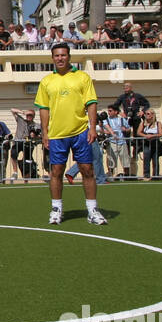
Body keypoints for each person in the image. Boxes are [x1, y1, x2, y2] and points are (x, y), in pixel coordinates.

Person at [35, 43, 107, 225]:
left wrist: (92, 127)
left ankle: (92, 211)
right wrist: (44, 133)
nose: (60, 58)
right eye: (57, 55)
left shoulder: (82, 77)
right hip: (57, 135)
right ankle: (56, 210)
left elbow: (91, 103)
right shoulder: (46, 81)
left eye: (63, 55)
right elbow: (43, 108)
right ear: (52, 58)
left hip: (81, 132)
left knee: (88, 171)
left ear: (69, 57)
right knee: (56, 172)